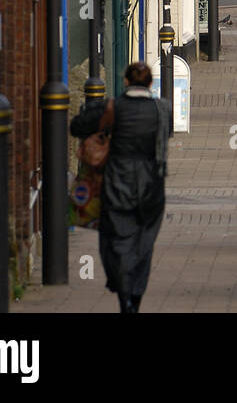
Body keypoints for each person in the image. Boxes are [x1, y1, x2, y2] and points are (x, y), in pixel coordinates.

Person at [70, 62, 171, 313]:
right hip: (151, 185)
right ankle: (135, 294)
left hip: (117, 182)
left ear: (126, 82)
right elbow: (165, 136)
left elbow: (77, 126)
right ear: (150, 84)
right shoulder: (162, 109)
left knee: (114, 238)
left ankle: (123, 291)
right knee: (143, 242)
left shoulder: (113, 107)